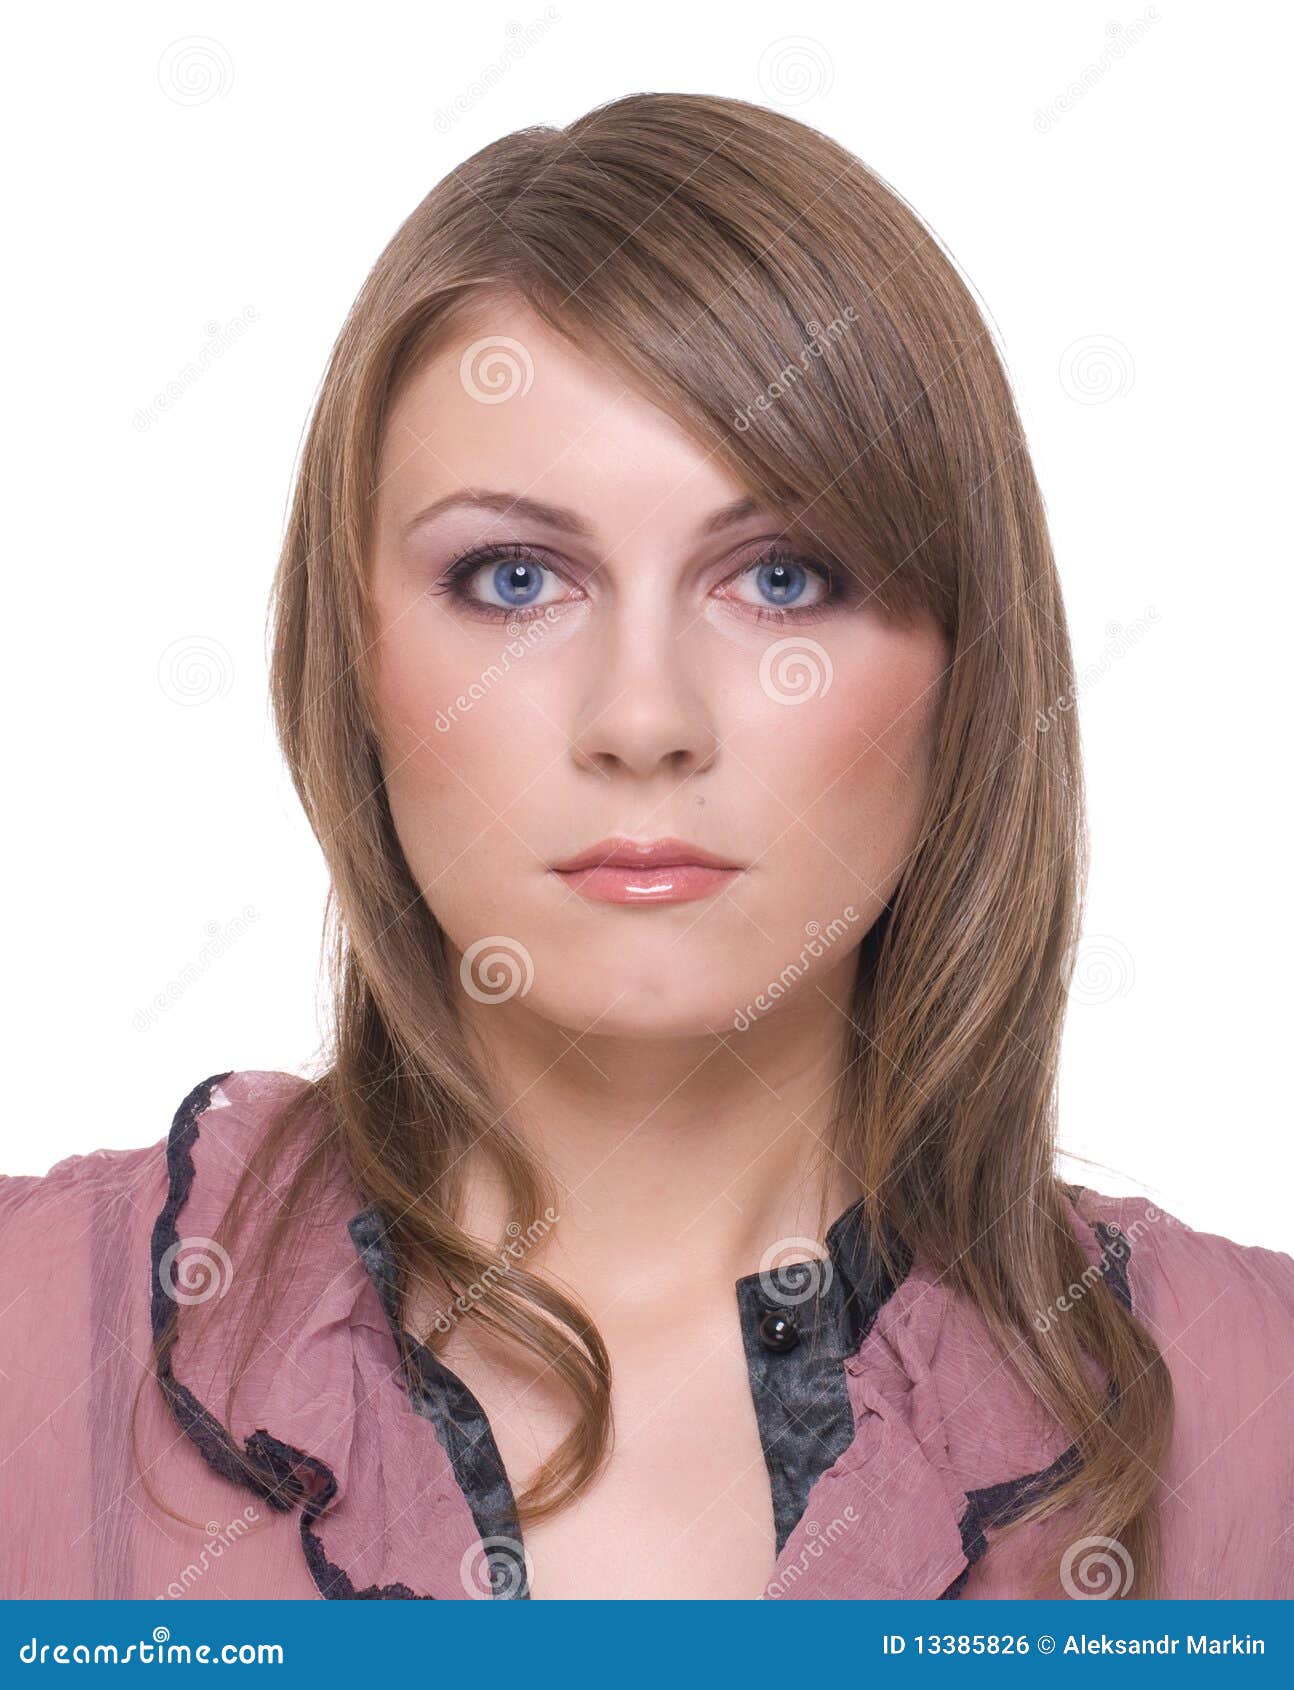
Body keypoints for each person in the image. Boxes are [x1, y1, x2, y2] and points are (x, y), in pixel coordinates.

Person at [2, 91, 1291, 1603]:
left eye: (784, 577)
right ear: (347, 655)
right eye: (511, 575)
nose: (641, 718)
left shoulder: (1253, 1405)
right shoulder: (37, 1335)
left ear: (965, 663)